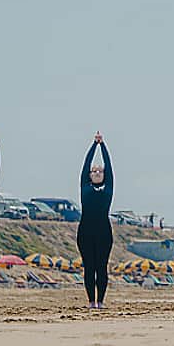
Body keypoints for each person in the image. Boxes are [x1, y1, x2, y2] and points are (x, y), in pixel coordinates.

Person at [77, 131, 114, 310]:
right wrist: (94, 145)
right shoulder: (85, 186)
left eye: (100, 171)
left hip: (104, 232)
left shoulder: (108, 188)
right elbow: (85, 165)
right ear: (90, 175)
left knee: (102, 267)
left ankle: (101, 301)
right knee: (89, 267)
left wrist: (103, 146)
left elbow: (109, 166)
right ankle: (91, 301)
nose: (97, 172)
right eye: (94, 171)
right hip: (85, 231)